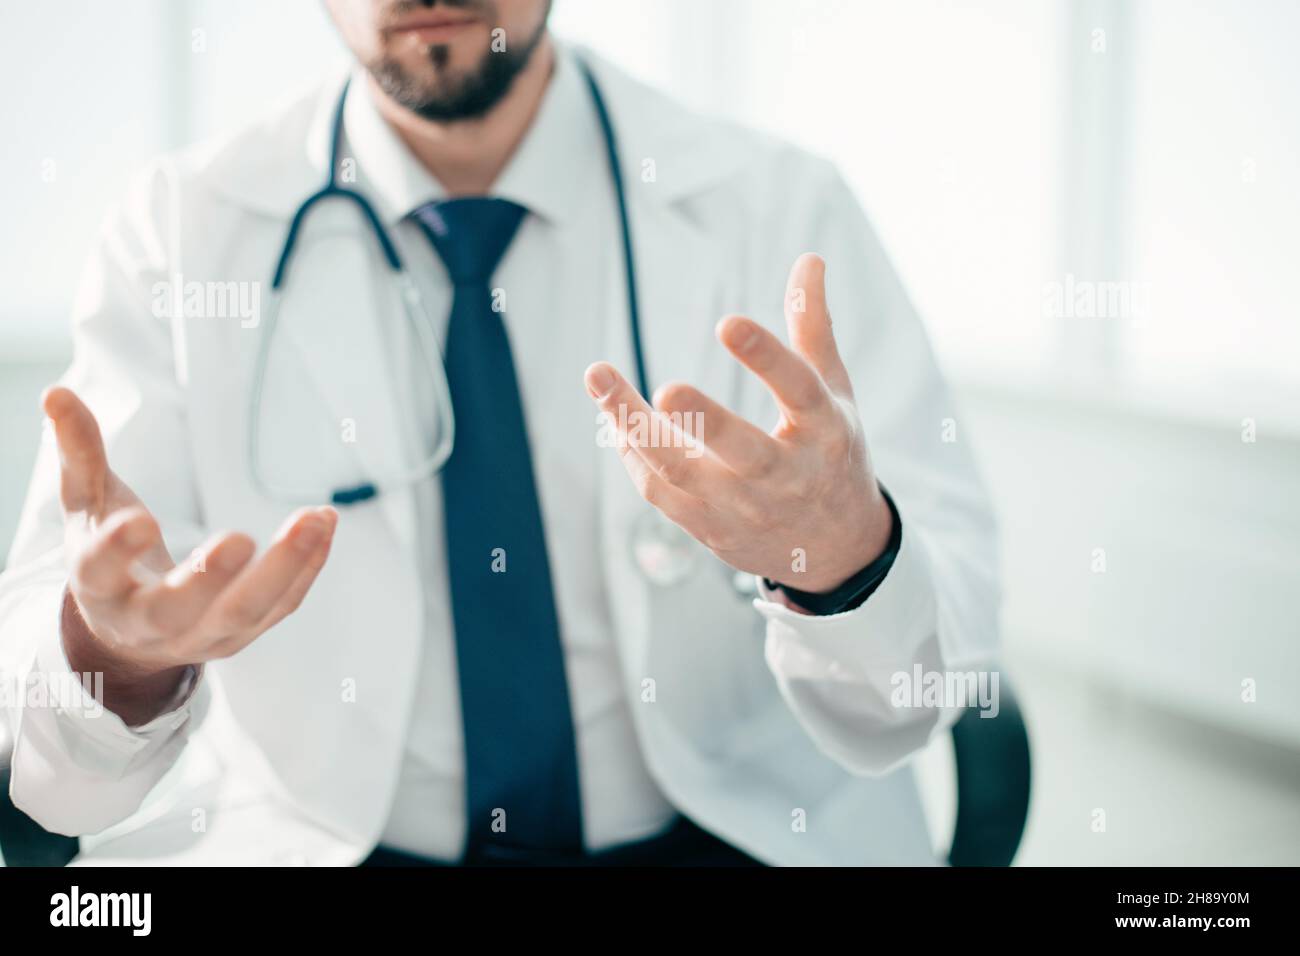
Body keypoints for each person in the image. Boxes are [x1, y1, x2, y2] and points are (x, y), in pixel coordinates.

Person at [0, 0, 998, 865]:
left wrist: (846, 562)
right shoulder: (178, 231)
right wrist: (115, 658)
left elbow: (927, 680)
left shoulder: (776, 203)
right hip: (338, 844)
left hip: (726, 839)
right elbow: (46, 753)